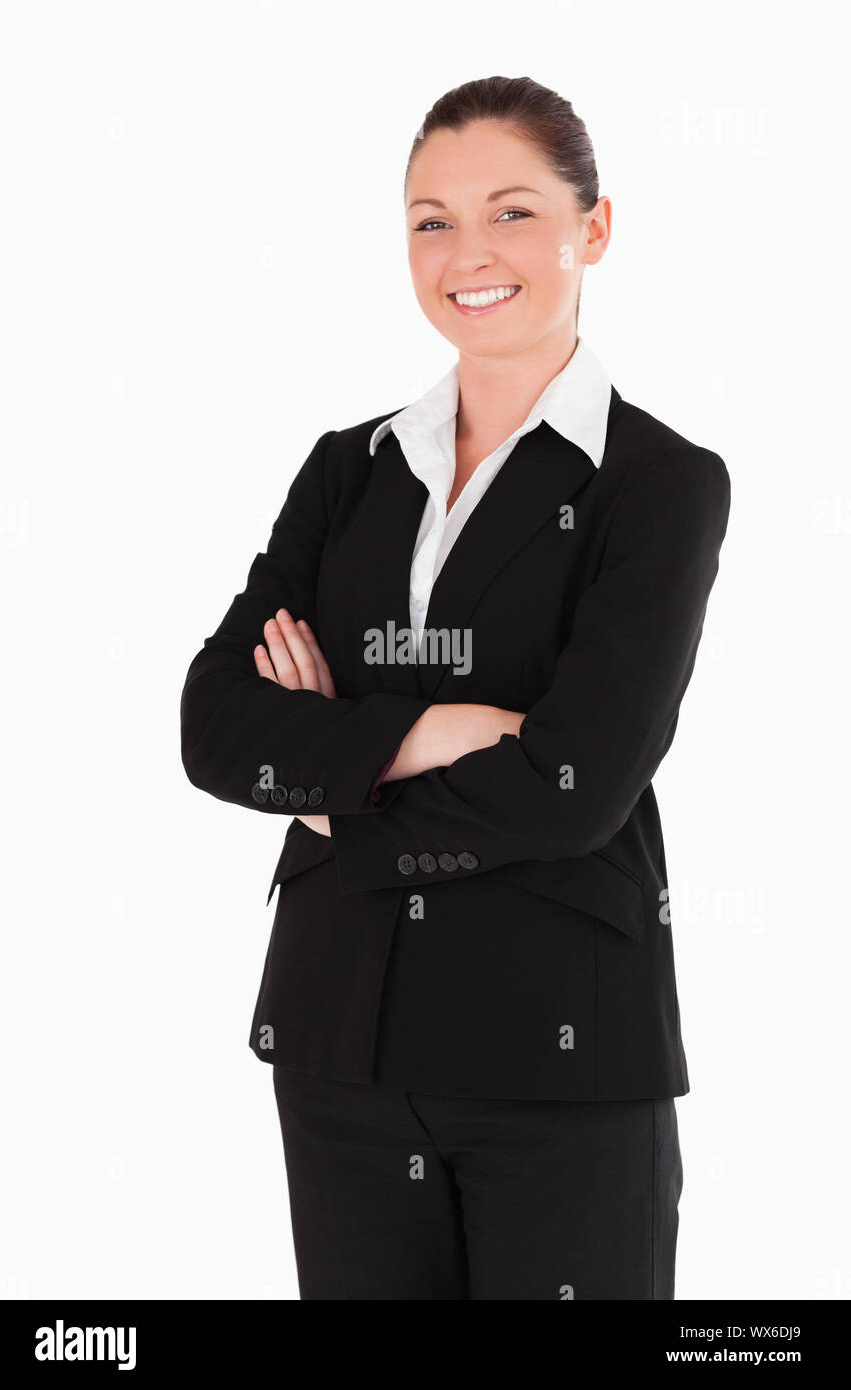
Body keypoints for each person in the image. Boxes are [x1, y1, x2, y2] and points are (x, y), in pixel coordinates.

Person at [180, 75, 731, 1300]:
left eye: (512, 212)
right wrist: (432, 730)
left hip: (558, 1053)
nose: (466, 253)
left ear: (592, 229)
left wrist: (336, 775)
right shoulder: (347, 470)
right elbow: (213, 721)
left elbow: (571, 786)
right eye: (430, 220)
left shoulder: (659, 484)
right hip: (340, 1045)